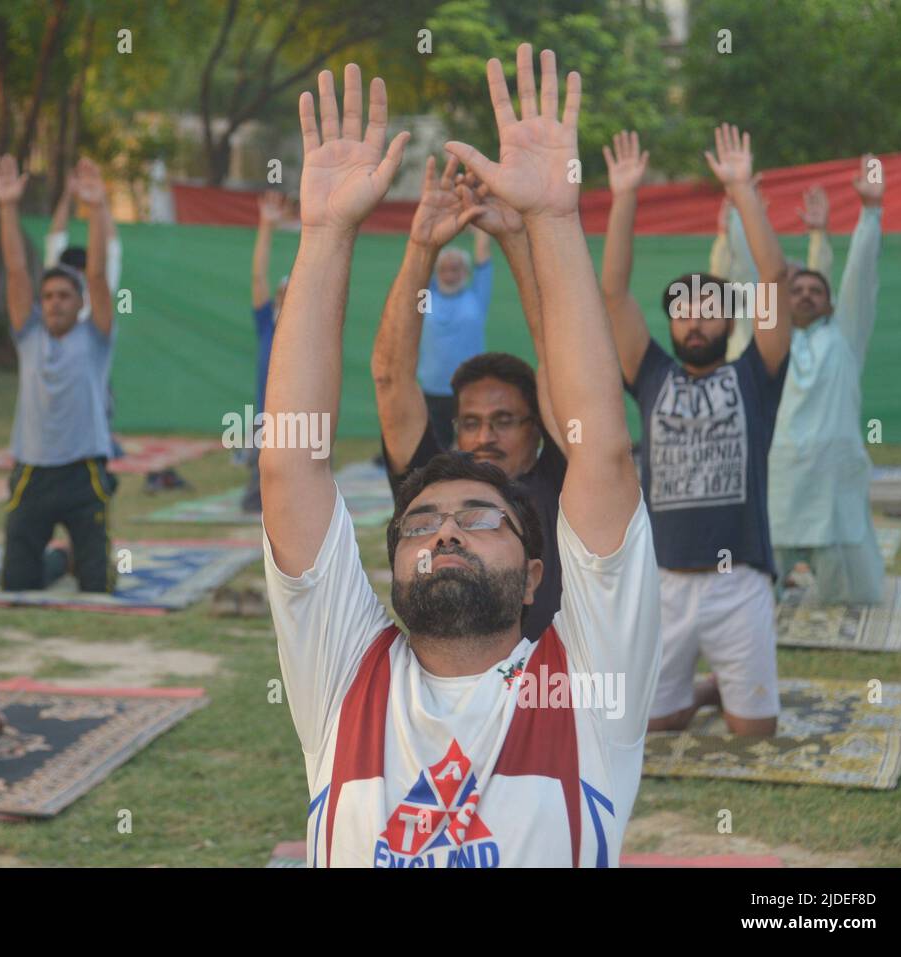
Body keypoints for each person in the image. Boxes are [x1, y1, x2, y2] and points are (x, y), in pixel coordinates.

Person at [262, 46, 659, 868]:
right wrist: (327, 233)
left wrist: (551, 221)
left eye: (481, 516)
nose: (445, 531)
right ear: (391, 567)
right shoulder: (343, 672)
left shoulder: (584, 686)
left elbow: (603, 451)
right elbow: (292, 465)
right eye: (421, 521)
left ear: (538, 571)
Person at [601, 126, 791, 736]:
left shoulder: (756, 374)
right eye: (683, 309)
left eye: (708, 306)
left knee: (754, 733)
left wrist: (742, 192)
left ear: (729, 319)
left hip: (740, 582)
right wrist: (625, 195)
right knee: (660, 725)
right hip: (663, 581)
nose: (695, 316)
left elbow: (775, 281)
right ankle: (703, 689)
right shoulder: (650, 371)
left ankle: (728, 690)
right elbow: (611, 292)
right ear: (672, 324)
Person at [372, 152, 567, 642]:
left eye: (504, 420)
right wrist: (421, 247)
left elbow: (564, 361)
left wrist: (517, 238)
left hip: (543, 695)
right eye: (471, 422)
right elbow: (392, 380)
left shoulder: (566, 484)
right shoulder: (428, 488)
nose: (485, 436)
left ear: (539, 429)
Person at [0, 153, 117, 593]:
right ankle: (57, 559)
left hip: (84, 470)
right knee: (16, 583)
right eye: (47, 296)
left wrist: (99, 208)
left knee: (97, 585)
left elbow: (99, 273)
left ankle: (82, 559)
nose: (55, 303)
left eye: (65, 295)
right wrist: (7, 206)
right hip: (33, 471)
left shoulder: (96, 337)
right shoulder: (29, 336)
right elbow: (14, 269)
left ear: (80, 301)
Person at [769, 158, 887, 605]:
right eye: (796, 290)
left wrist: (870, 212)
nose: (804, 295)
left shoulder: (844, 337)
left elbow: (861, 275)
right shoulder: (770, 344)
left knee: (860, 598)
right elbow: (747, 274)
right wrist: (740, 214)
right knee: (758, 594)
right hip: (779, 479)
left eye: (815, 291)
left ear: (831, 304)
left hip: (833, 480)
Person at [45, 169, 123, 454]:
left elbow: (111, 250)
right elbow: (55, 237)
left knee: (97, 412)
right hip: (55, 372)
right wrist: (68, 194)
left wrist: (99, 205)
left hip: (91, 373)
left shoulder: (97, 288)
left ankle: (101, 445)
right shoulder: (55, 285)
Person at [710, 181, 832, 361]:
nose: (781, 290)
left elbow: (818, 282)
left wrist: (818, 235)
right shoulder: (746, 321)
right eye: (775, 283)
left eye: (792, 287)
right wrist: (730, 231)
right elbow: (722, 284)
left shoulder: (812, 336)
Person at [417, 225, 492, 448]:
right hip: (432, 390)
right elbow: (423, 259)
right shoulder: (426, 298)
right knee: (435, 454)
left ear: (466, 273)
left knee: (472, 450)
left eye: (456, 268)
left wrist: (480, 224)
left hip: (469, 389)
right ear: (436, 272)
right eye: (445, 269)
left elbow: (483, 255)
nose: (450, 274)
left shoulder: (477, 297)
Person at [242, 190, 291, 513]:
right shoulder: (267, 325)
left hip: (305, 420)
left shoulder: (313, 329)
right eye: (283, 293)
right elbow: (258, 275)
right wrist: (266, 226)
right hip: (267, 418)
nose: (287, 297)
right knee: (256, 500)